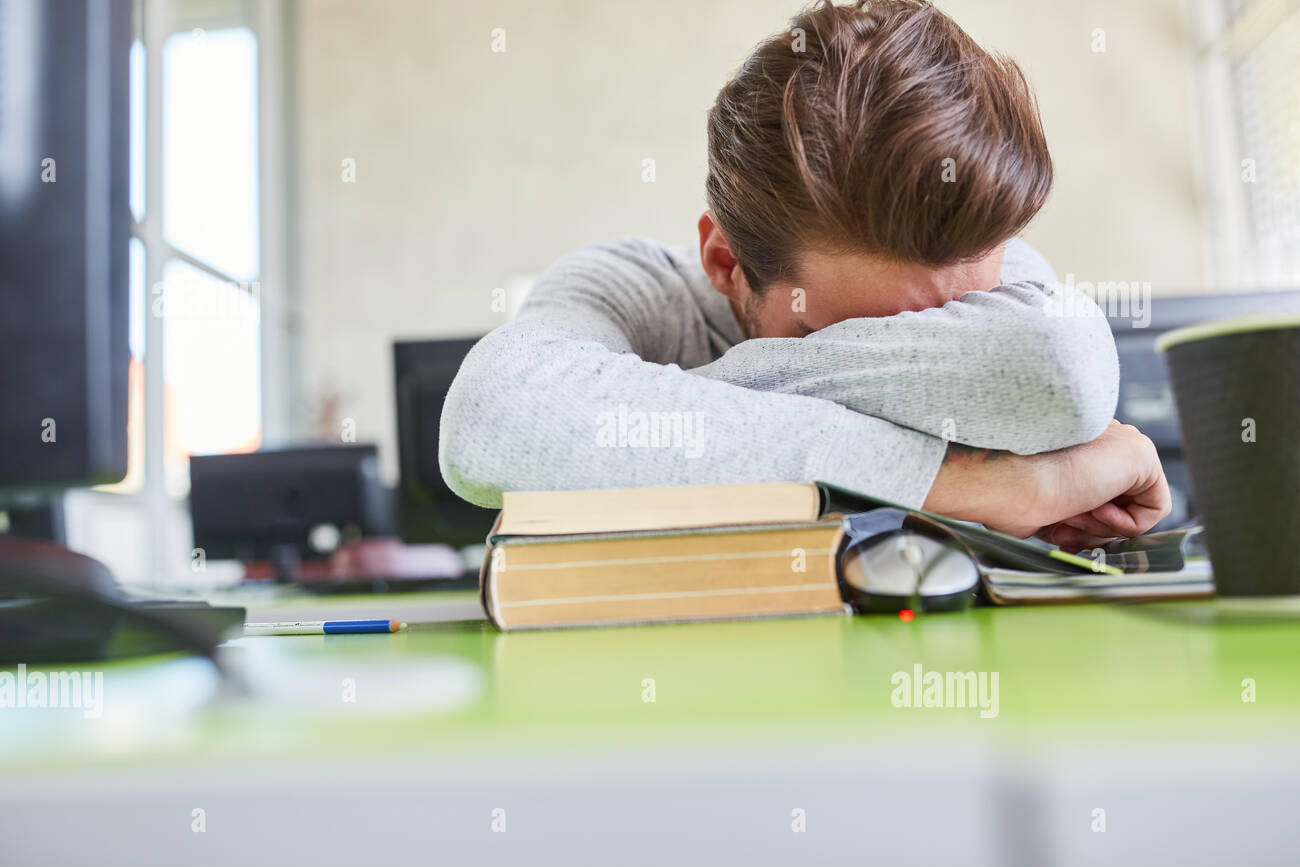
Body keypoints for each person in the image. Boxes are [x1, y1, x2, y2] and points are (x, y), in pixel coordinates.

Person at [439, 0, 1170, 552]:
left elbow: (1060, 369)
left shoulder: (993, 270)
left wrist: (666, 404)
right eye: (845, 336)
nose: (901, 354)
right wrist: (961, 484)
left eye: (948, 338)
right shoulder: (631, 288)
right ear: (727, 263)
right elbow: (487, 423)